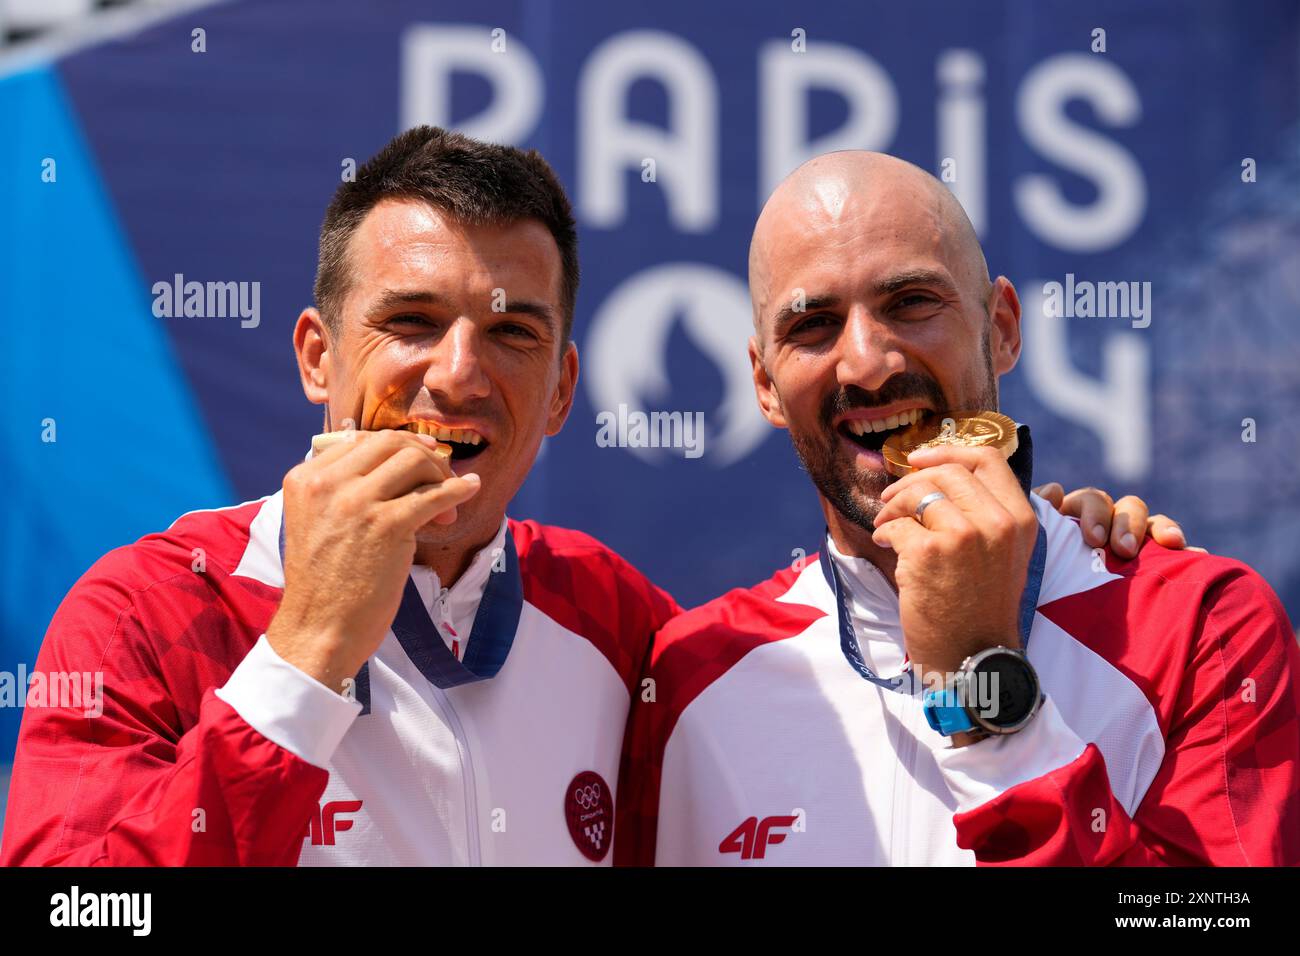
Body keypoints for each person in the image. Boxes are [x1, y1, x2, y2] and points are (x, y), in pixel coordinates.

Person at [0, 129, 1180, 867]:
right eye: (410, 321)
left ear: (563, 387)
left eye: (512, 330)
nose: (458, 373)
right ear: (316, 355)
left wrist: (1062, 551)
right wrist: (299, 663)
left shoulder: (626, 629)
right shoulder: (151, 612)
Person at [615, 151, 1300, 866]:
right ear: (764, 383)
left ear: (1001, 327)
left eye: (911, 303)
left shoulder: (1201, 626)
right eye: (813, 324)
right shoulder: (689, 677)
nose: (867, 364)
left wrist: (983, 687)